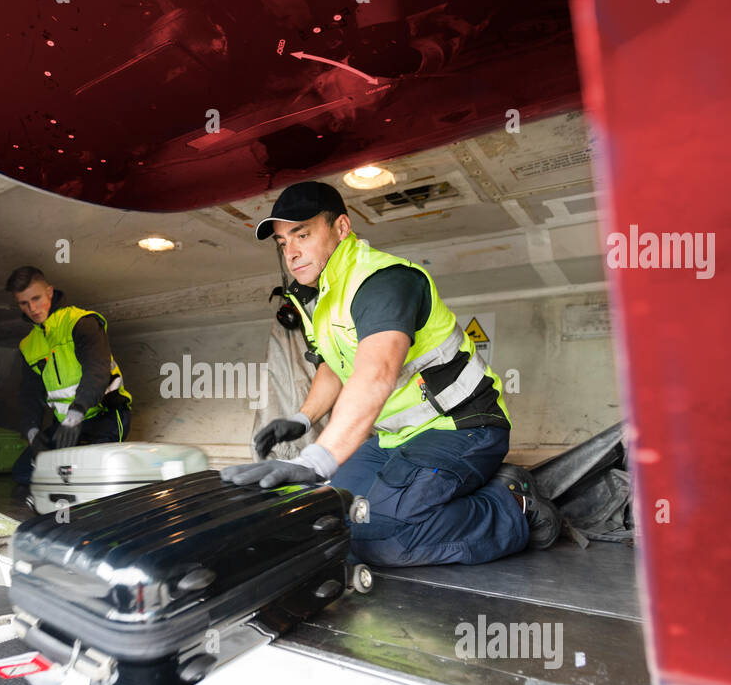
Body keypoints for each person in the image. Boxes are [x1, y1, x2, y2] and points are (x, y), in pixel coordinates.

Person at [221, 181, 560, 565]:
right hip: (396, 439)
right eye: (283, 243)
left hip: (463, 427)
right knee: (334, 514)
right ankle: (458, 493)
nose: (291, 253)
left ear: (342, 228)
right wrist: (302, 419)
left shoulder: (382, 281)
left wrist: (314, 461)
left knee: (382, 536)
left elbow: (376, 373)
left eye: (302, 234)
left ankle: (512, 505)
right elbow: (336, 366)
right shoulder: (321, 300)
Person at [6, 266, 131, 497]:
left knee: (92, 477)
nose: (32, 308)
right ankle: (65, 476)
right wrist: (33, 434)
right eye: (24, 303)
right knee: (23, 473)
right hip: (63, 426)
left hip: (105, 416)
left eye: (36, 298)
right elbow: (30, 394)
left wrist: (76, 415)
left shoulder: (80, 322)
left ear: (50, 293)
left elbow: (97, 372)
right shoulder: (28, 345)